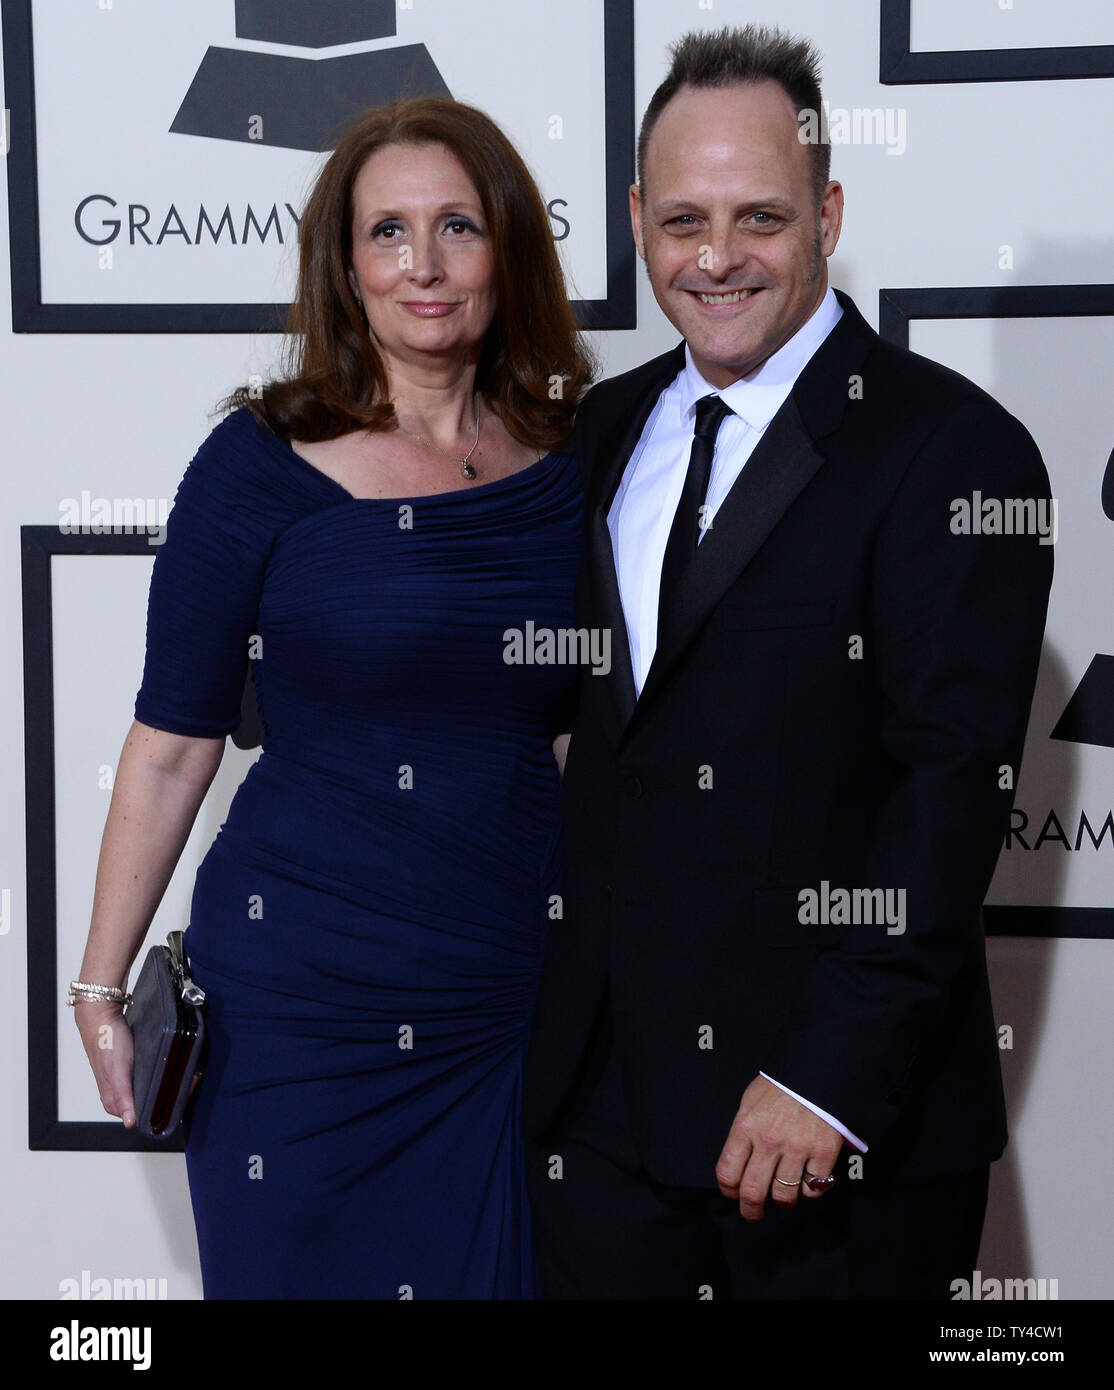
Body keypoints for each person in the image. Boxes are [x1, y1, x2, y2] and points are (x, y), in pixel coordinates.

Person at [522, 25, 1054, 1300]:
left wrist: (825, 1076)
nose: (715, 258)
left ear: (826, 208)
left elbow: (947, 795)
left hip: (829, 1147)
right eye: (684, 218)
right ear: (639, 217)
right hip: (600, 1129)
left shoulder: (953, 454)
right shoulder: (600, 427)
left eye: (759, 215)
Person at [72, 95, 593, 1299]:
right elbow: (168, 747)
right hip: (301, 1007)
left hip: (502, 999)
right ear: (344, 265)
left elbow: (575, 736)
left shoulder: (577, 468)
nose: (424, 265)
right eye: (388, 232)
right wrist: (100, 989)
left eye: (458, 226)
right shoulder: (258, 463)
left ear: (506, 248)